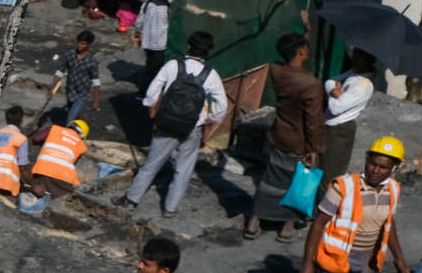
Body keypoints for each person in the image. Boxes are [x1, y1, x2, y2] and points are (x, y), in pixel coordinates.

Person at [300, 137, 411, 273]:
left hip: (357, 263)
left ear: (393, 169)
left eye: (383, 167)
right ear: (366, 159)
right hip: (332, 260)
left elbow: (388, 223)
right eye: (373, 164)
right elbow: (318, 224)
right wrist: (307, 265)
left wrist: (399, 259)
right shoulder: (344, 187)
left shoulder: (393, 190)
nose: (376, 170)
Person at [121, 31, 227, 218]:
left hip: (166, 123)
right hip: (191, 127)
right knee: (183, 168)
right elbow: (222, 106)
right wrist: (210, 120)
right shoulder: (211, 75)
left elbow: (153, 91)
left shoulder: (173, 65)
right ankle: (170, 208)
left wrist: (151, 109)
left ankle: (132, 198)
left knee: (152, 163)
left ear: (188, 46)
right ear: (208, 52)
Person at [246, 33, 326, 243]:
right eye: (306, 47)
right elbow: (312, 120)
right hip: (299, 141)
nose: (308, 50)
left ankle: (254, 221)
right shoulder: (311, 84)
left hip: (279, 133)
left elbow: (289, 58)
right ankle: (287, 225)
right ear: (300, 51)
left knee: (270, 178)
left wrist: (307, 29)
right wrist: (314, 148)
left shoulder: (277, 71)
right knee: (296, 183)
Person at [320, 49, 376, 188]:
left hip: (340, 129)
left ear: (370, 60)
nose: (354, 59)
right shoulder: (353, 73)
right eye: (355, 55)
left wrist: (333, 93)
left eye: (360, 56)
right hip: (330, 126)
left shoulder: (364, 85)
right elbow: (330, 82)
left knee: (330, 175)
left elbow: (335, 108)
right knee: (321, 168)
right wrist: (335, 91)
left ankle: (325, 207)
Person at [46, 29, 103, 126]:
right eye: (79, 43)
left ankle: (67, 135)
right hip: (70, 91)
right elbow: (60, 72)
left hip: (82, 95)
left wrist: (96, 101)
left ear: (89, 45)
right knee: (71, 113)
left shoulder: (92, 62)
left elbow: (96, 82)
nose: (79, 46)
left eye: (83, 44)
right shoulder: (70, 55)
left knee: (70, 118)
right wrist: (52, 87)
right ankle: (74, 130)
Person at [23, 119, 89, 198]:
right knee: (69, 193)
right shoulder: (82, 145)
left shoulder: (55, 129)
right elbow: (73, 163)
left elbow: (36, 138)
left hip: (41, 169)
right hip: (62, 177)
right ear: (82, 135)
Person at [133, 0, 169, 82]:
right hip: (160, 45)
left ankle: (144, 87)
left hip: (147, 42)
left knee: (149, 65)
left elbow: (138, 23)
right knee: (155, 70)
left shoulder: (147, 4)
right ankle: (144, 91)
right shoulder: (169, 8)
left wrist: (139, 35)